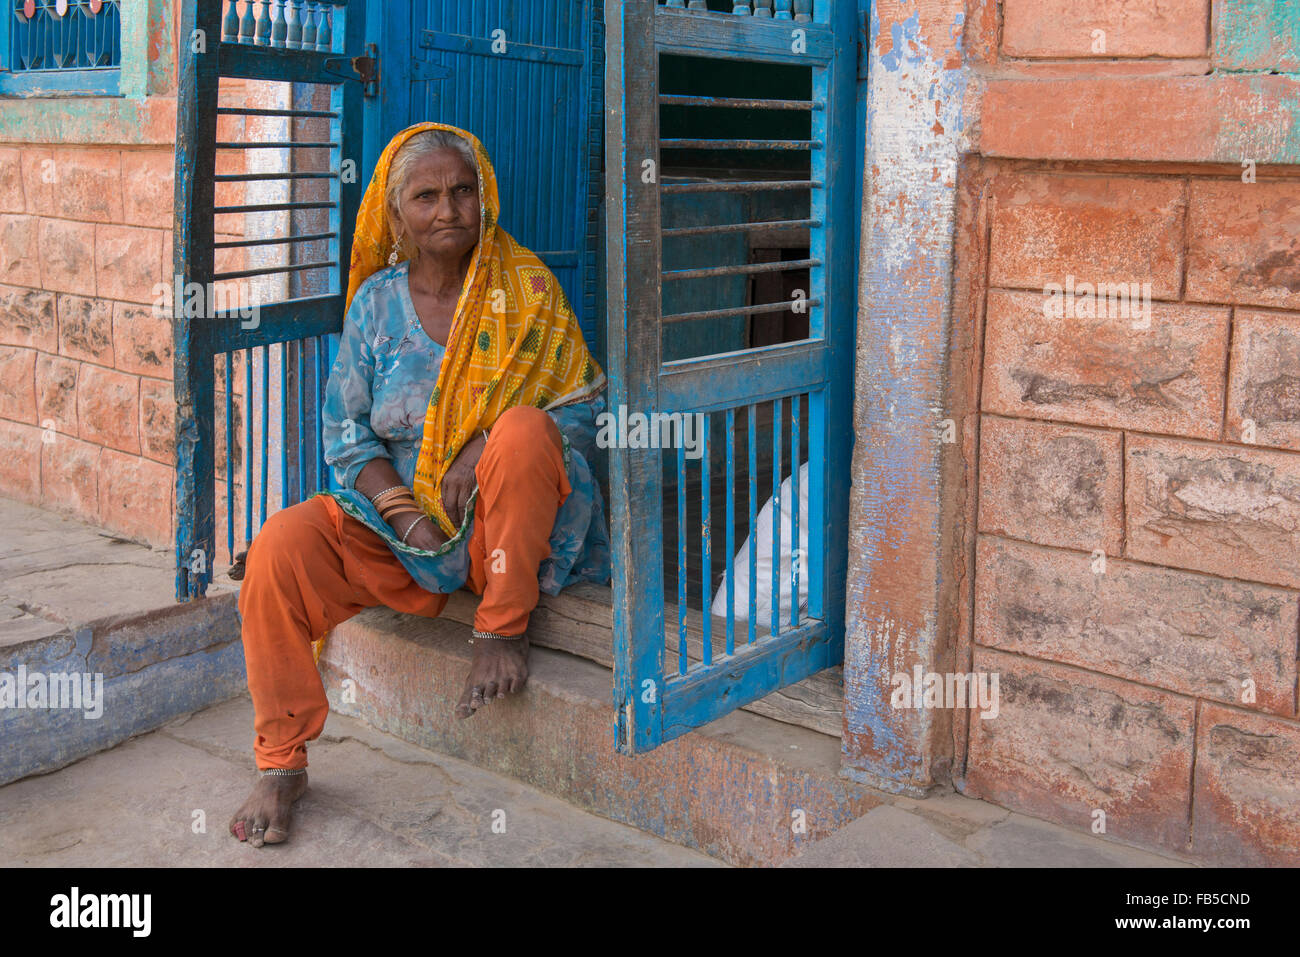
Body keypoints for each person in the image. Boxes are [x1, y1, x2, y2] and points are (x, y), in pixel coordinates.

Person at [227, 123, 610, 847]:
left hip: (503, 531)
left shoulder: (525, 287)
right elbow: (346, 432)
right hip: (400, 536)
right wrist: (405, 517)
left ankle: (501, 628)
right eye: (426, 196)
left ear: (484, 197)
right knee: (279, 545)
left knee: (526, 432)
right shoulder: (375, 303)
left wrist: (485, 442)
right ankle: (281, 763)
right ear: (396, 213)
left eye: (463, 191)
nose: (448, 210)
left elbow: (585, 408)